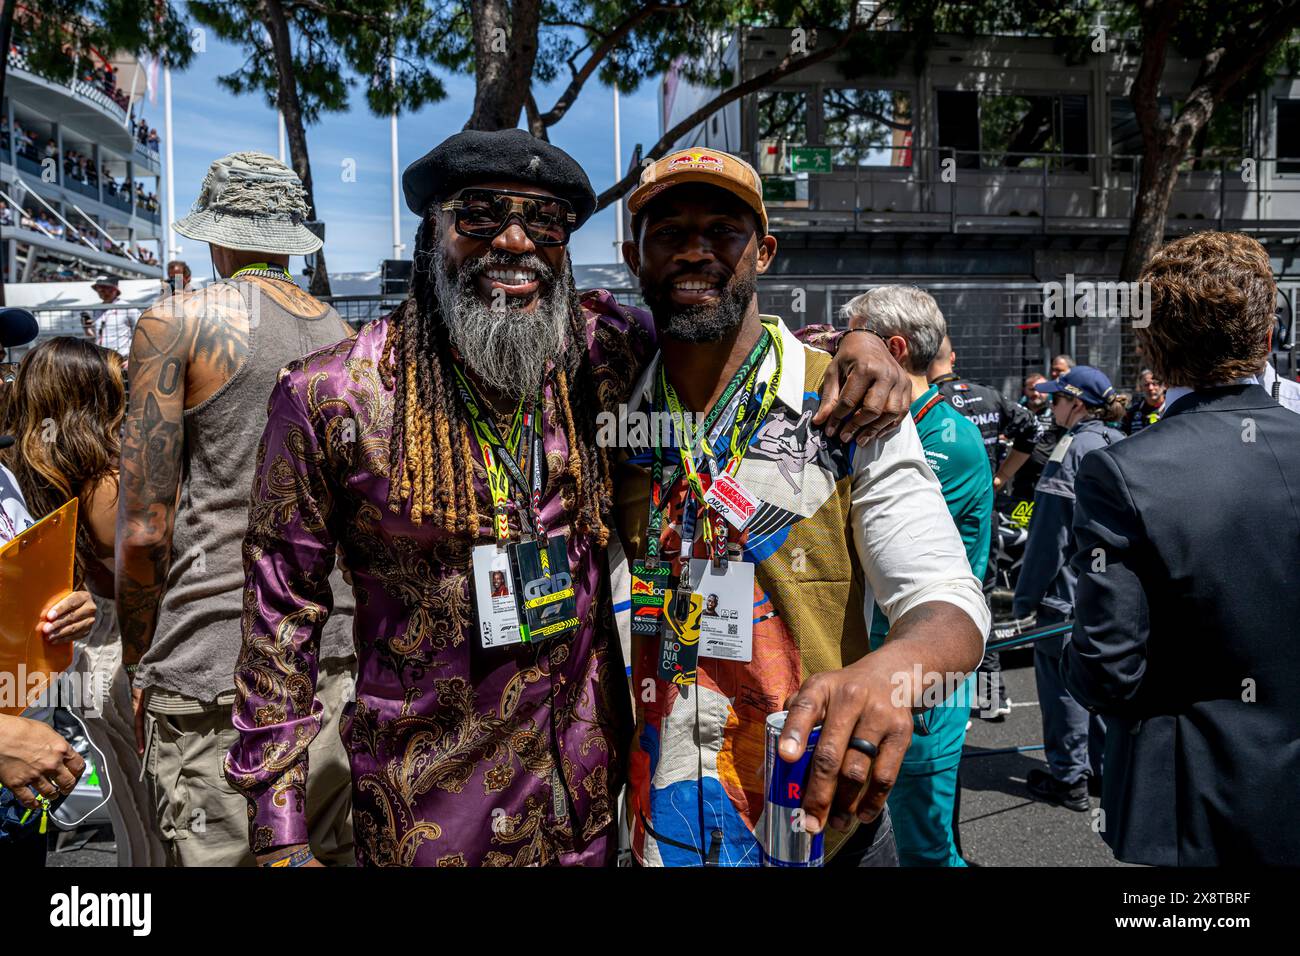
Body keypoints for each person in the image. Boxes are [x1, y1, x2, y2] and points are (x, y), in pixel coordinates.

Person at [225, 129, 907, 868]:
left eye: (544, 221)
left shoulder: (602, 351)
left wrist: (856, 346)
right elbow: (280, 619)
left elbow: (730, 334)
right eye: (481, 213)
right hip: (428, 819)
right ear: (434, 233)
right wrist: (280, 840)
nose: (515, 240)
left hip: (588, 815)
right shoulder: (333, 397)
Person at [613, 149, 988, 867]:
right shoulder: (609, 402)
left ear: (764, 252)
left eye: (723, 231)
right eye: (670, 233)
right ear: (635, 257)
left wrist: (892, 672)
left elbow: (945, 598)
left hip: (817, 823)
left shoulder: (848, 403)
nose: (695, 251)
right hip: (660, 830)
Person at [117, 152, 358, 867]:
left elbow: (144, 529)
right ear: (291, 238)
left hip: (216, 663)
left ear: (216, 236)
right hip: (330, 657)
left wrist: (139, 658)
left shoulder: (176, 323)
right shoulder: (343, 336)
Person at [1062, 231, 1300, 865]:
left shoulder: (1124, 472)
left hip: (1192, 803)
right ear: (1266, 339)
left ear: (1152, 351)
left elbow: (1107, 670)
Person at [830, 286, 992, 866]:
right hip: (871, 668)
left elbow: (894, 553)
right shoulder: (888, 420)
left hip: (917, 681)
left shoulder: (945, 437)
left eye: (855, 335)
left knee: (924, 850)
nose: (841, 349)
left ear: (892, 349)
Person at [1, 337, 163, 866]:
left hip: (63, 674)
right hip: (116, 658)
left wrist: (81, 598)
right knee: (151, 807)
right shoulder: (109, 482)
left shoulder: (19, 471)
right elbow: (141, 585)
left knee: (133, 808)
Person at [1010, 366, 1124, 811]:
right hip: (1111, 595)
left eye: (1057, 398)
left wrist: (1024, 598)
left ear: (1076, 404)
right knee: (1101, 683)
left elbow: (1049, 534)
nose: (1051, 404)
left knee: (1063, 689)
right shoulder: (1120, 441)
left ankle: (1069, 778)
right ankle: (1104, 773)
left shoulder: (1071, 448)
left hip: (1067, 596)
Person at [926, 338, 1038, 720]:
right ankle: (991, 697)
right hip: (982, 514)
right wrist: (1000, 477)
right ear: (953, 357)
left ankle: (949, 703)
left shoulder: (928, 403)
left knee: (941, 606)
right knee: (981, 602)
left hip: (942, 518)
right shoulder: (989, 396)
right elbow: (1032, 429)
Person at [84, 276, 138, 360]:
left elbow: (139, 333)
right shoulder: (96, 310)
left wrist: (132, 358)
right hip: (100, 358)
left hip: (121, 358)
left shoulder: (128, 308)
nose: (101, 290)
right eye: (99, 288)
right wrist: (87, 328)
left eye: (105, 287)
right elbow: (94, 336)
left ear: (114, 290)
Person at [1122, 368, 1165, 435]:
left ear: (1164, 386)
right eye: (1146, 384)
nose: (1150, 388)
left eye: (1154, 384)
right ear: (1140, 387)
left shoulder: (1171, 409)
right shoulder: (1132, 412)